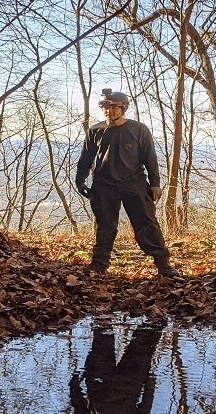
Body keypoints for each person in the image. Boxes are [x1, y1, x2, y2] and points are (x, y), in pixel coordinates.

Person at [74, 88, 180, 278]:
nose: (110, 110)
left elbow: (150, 157)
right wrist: (80, 179)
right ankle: (99, 265)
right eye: (106, 106)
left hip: (135, 183)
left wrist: (155, 182)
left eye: (115, 107)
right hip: (104, 185)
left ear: (123, 108)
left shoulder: (138, 129)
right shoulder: (95, 131)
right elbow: (86, 158)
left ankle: (163, 264)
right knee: (105, 226)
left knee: (147, 224)